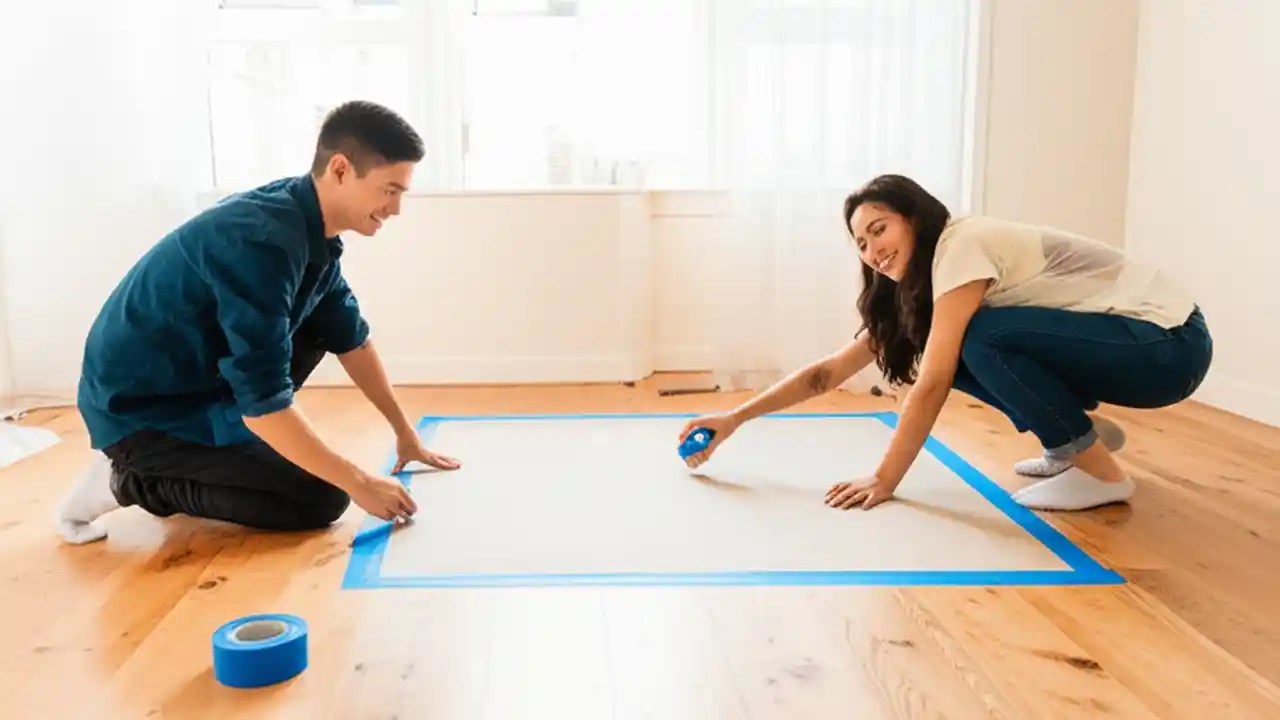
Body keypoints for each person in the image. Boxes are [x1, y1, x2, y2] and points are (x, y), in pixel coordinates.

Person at [678, 174, 1212, 512]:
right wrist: (733, 419)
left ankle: (1102, 476)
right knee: (956, 342)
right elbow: (830, 373)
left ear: (913, 218)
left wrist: (885, 478)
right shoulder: (923, 285)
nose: (871, 251)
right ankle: (1078, 438)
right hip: (1133, 348)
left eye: (880, 229)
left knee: (976, 340)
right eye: (860, 243)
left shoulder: (961, 245)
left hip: (1168, 344)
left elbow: (932, 381)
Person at [56, 100, 460, 544]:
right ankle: (128, 479)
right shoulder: (263, 242)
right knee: (321, 499)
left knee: (318, 325)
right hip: (139, 413)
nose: (396, 208)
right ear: (341, 169)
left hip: (194, 387)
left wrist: (405, 435)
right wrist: (359, 482)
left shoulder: (309, 225)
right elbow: (264, 399)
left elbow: (352, 339)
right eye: (390, 190)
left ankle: (217, 448)